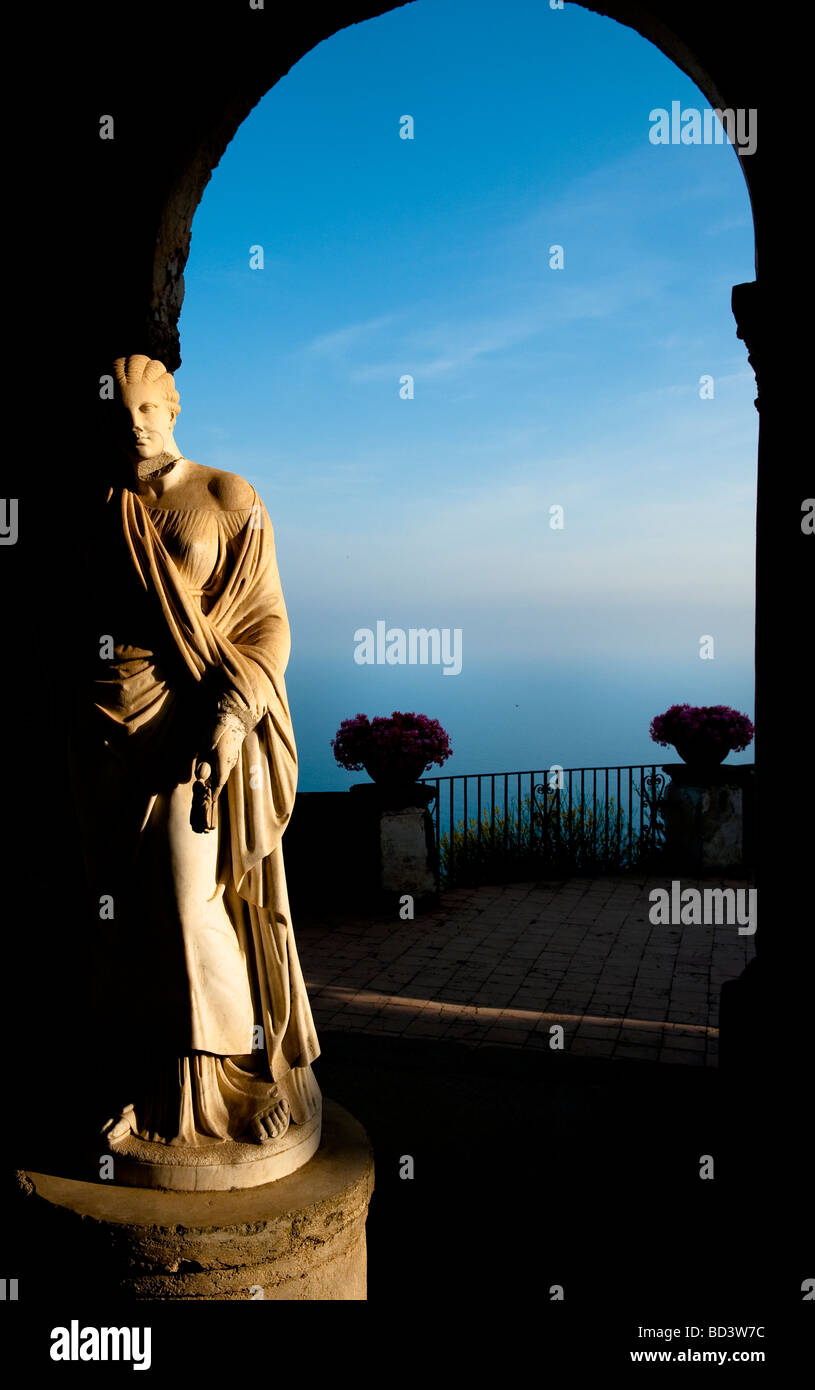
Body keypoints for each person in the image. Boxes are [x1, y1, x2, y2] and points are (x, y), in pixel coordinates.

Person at [70, 353, 320, 1149]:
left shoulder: (226, 495)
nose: (134, 426)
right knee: (123, 910)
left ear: (172, 407)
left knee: (190, 900)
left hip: (198, 724)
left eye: (147, 409)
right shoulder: (97, 506)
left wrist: (236, 710)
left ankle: (230, 1083)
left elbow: (267, 622)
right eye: (118, 413)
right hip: (108, 722)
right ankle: (147, 1081)